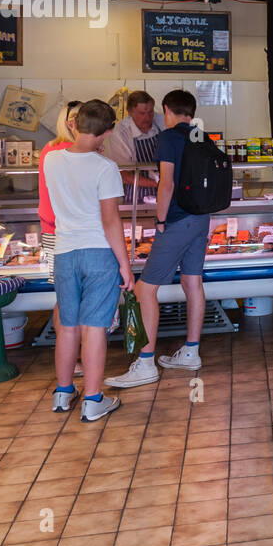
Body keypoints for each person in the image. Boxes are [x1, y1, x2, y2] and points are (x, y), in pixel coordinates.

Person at [106, 89, 208, 388]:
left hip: (176, 218)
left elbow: (167, 183)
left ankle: (146, 362)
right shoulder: (199, 135)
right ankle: (191, 352)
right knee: (192, 282)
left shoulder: (168, 137)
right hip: (201, 217)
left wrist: (161, 220)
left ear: (166, 109)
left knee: (143, 289)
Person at [45, 99, 135, 420]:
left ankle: (63, 392)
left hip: (64, 252)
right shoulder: (105, 168)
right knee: (94, 328)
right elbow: (111, 221)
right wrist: (125, 265)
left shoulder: (51, 160)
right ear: (108, 132)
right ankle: (94, 400)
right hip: (98, 253)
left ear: (75, 124)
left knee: (68, 326)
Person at [39, 100, 83, 377]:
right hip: (64, 232)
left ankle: (73, 360)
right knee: (70, 298)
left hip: (57, 231)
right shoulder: (63, 151)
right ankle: (73, 360)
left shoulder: (49, 149)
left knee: (67, 297)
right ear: (68, 122)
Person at [103, 90, 164, 204]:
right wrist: (157, 183)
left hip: (165, 192)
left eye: (151, 112)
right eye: (142, 113)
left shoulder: (162, 121)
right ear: (129, 112)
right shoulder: (120, 134)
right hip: (136, 195)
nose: (147, 117)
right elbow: (123, 175)